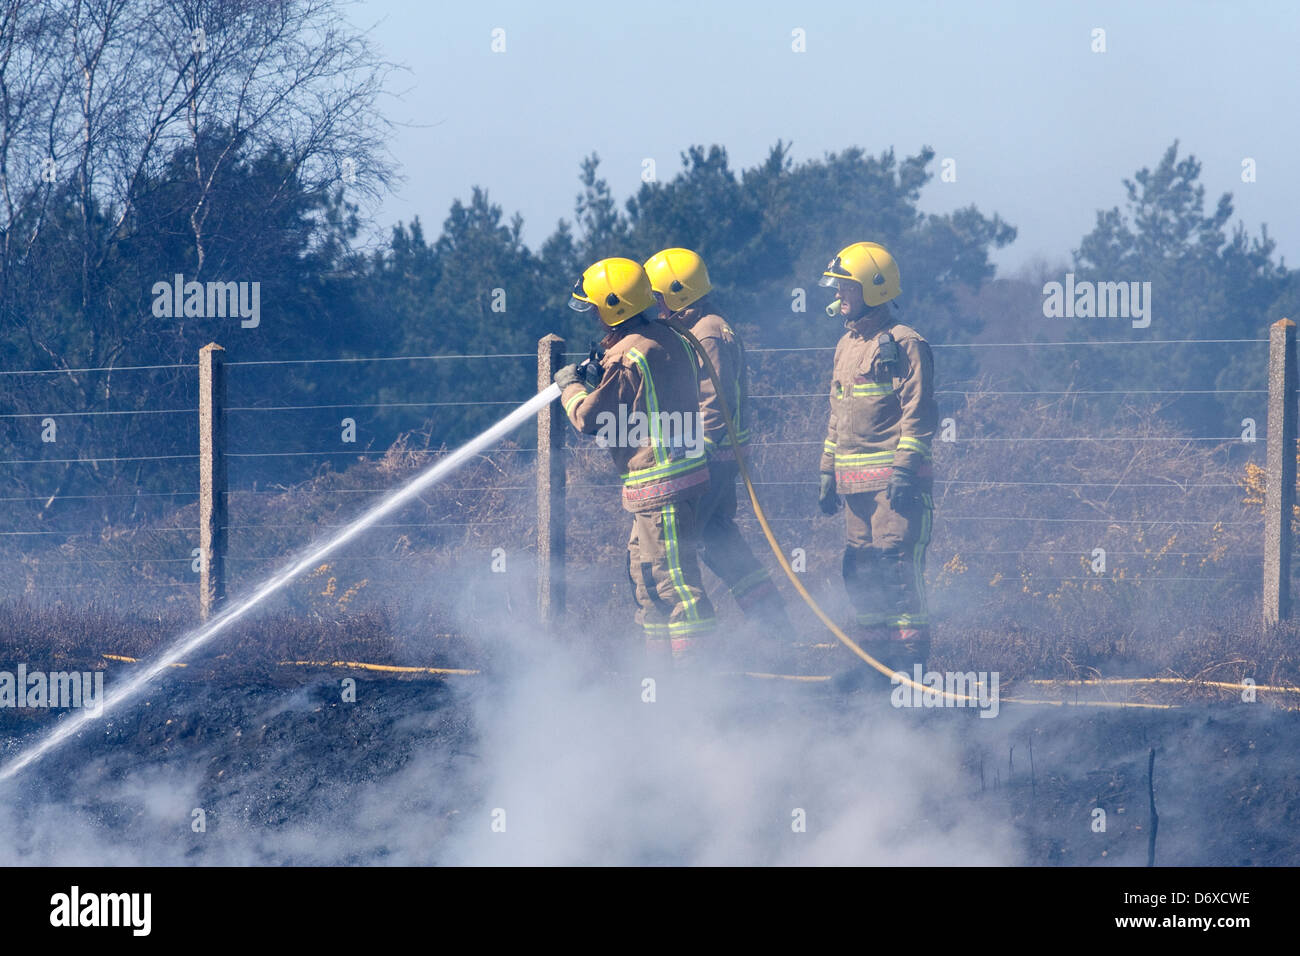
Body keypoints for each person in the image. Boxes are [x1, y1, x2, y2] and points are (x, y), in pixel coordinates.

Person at [555, 257, 716, 665]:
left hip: (660, 487)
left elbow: (588, 419)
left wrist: (570, 386)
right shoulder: (670, 335)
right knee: (647, 583)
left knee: (675, 587)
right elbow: (639, 401)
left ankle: (700, 689)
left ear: (614, 307)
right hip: (670, 483)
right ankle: (659, 679)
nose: (592, 315)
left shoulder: (628, 355)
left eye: (596, 308)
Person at [642, 247, 794, 658]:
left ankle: (697, 653)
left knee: (682, 549)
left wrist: (699, 453)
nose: (655, 305)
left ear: (678, 293)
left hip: (711, 460)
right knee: (719, 543)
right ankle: (778, 629)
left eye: (658, 296)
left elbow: (715, 399)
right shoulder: (702, 327)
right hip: (716, 459)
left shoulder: (707, 332)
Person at [816, 241, 937, 674]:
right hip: (855, 490)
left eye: (845, 288)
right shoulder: (846, 345)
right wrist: (828, 470)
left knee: (895, 570)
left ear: (872, 288)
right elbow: (837, 413)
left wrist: (905, 470)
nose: (838, 296)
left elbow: (918, 414)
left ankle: (909, 666)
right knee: (860, 570)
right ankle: (873, 666)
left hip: (893, 488)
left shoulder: (905, 344)